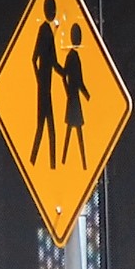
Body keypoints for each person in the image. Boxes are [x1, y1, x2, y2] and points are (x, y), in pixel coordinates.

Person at [27, 0, 62, 165]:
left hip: (46, 88)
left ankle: (46, 164)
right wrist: (39, 80)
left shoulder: (47, 31)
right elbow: (34, 59)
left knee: (48, 129)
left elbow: (53, 62)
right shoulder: (44, 30)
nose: (54, 13)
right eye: (53, 10)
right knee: (44, 128)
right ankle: (36, 162)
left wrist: (64, 73)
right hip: (43, 90)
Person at [58, 22, 90, 169]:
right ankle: (76, 162)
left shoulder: (74, 56)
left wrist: (86, 95)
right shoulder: (72, 56)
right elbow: (66, 76)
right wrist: (68, 92)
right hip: (73, 99)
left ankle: (77, 162)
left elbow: (79, 80)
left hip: (74, 98)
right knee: (74, 130)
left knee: (74, 130)